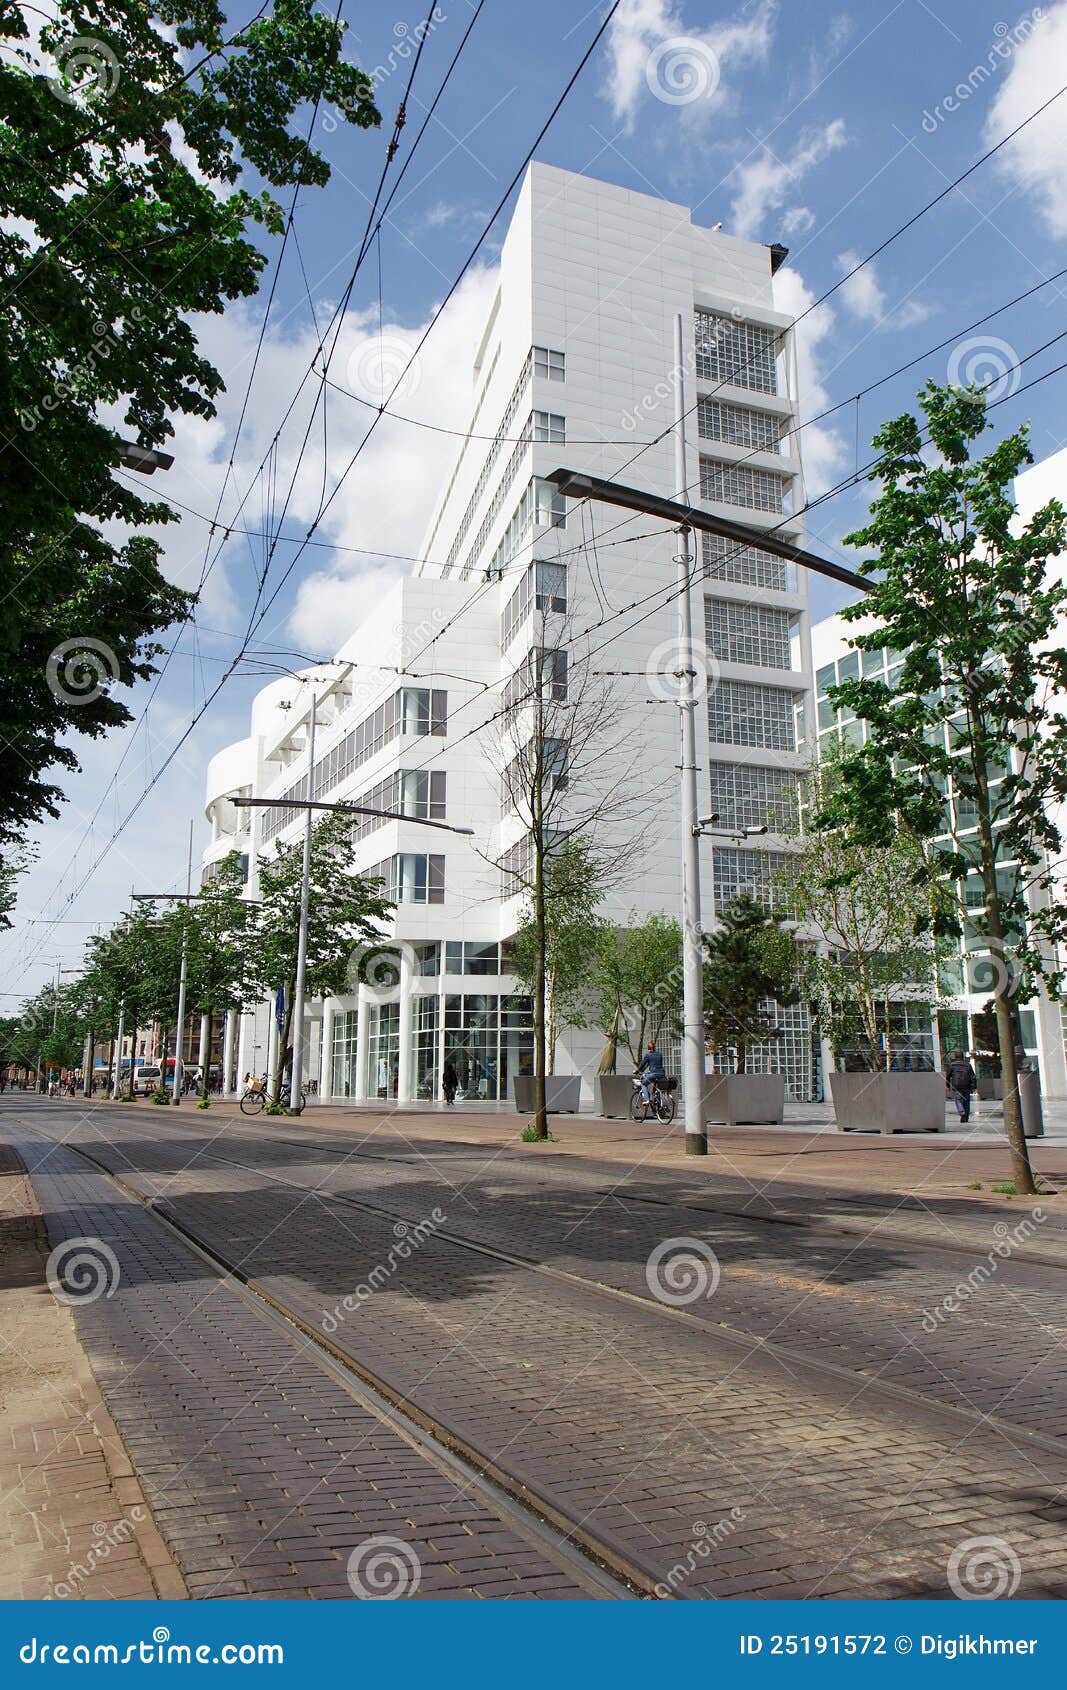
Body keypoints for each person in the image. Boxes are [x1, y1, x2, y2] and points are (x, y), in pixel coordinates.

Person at [945, 1050, 977, 1123]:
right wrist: (974, 1087)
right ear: (963, 1057)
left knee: (958, 1100)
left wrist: (947, 1085)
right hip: (966, 1085)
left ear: (955, 1057)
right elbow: (973, 1077)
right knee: (966, 1101)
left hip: (956, 1085)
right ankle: (965, 1117)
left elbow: (947, 1076)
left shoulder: (952, 1065)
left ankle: (962, 1113)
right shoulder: (968, 1065)